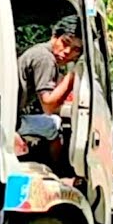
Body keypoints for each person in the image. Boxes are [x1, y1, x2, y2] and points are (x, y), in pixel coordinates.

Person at [15, 15, 83, 161]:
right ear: (55, 36)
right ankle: (56, 170)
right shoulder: (45, 58)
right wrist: (73, 76)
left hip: (10, 117)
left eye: (75, 50)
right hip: (11, 121)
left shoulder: (40, 52)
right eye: (65, 43)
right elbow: (49, 105)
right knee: (54, 125)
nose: (67, 52)